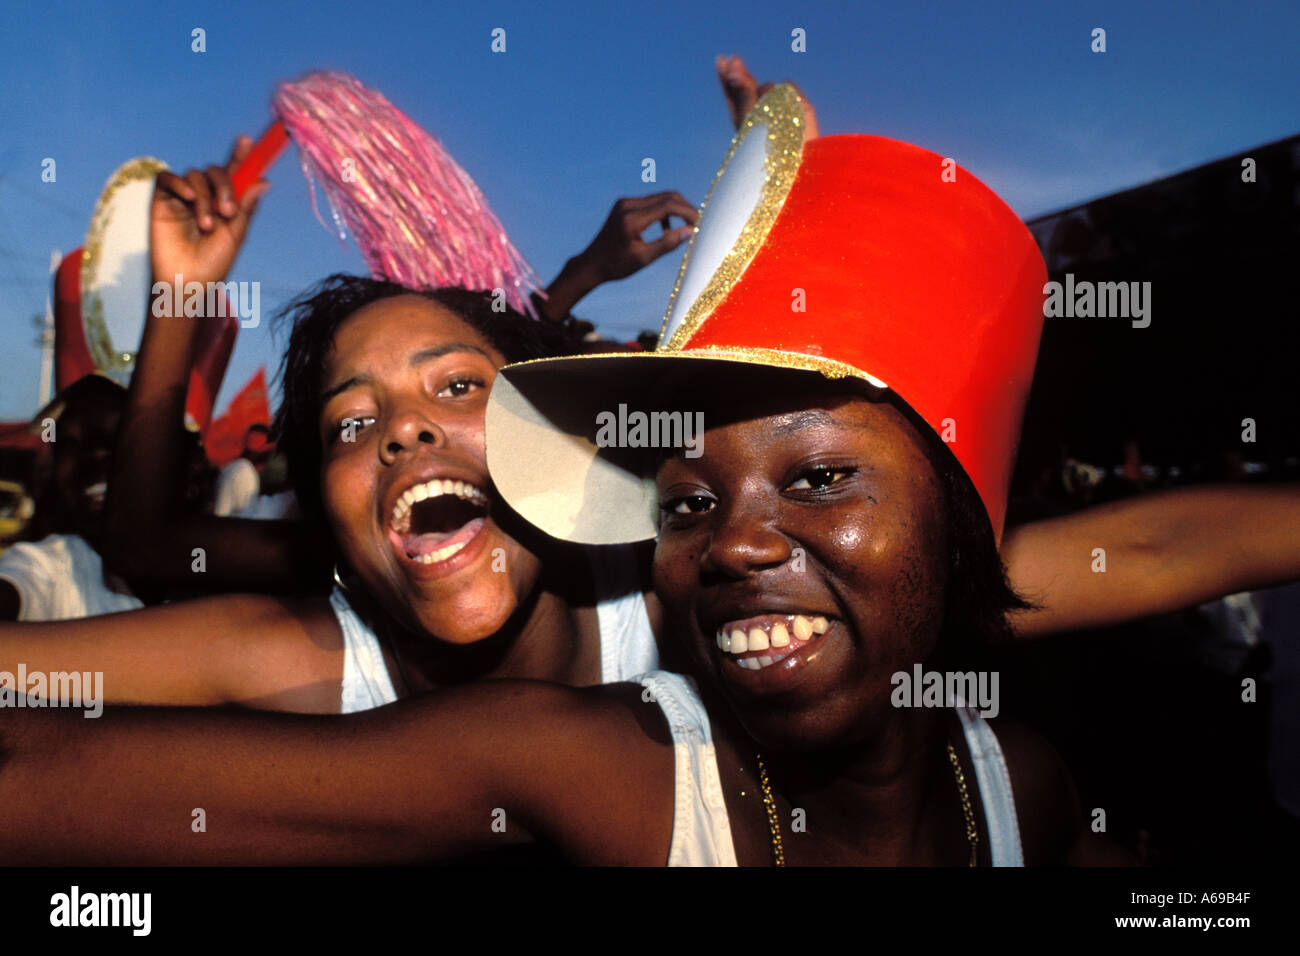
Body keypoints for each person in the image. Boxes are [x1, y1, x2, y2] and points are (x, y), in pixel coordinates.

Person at [0, 89, 1279, 865]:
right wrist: (183, 303)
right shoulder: (329, 658)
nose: (399, 436)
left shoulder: (679, 576)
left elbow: (1127, 555)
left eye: (457, 393)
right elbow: (154, 552)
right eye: (348, 423)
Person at [0, 375, 142, 621]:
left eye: (116, 438)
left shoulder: (208, 569)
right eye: (70, 444)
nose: (93, 457)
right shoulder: (51, 569)